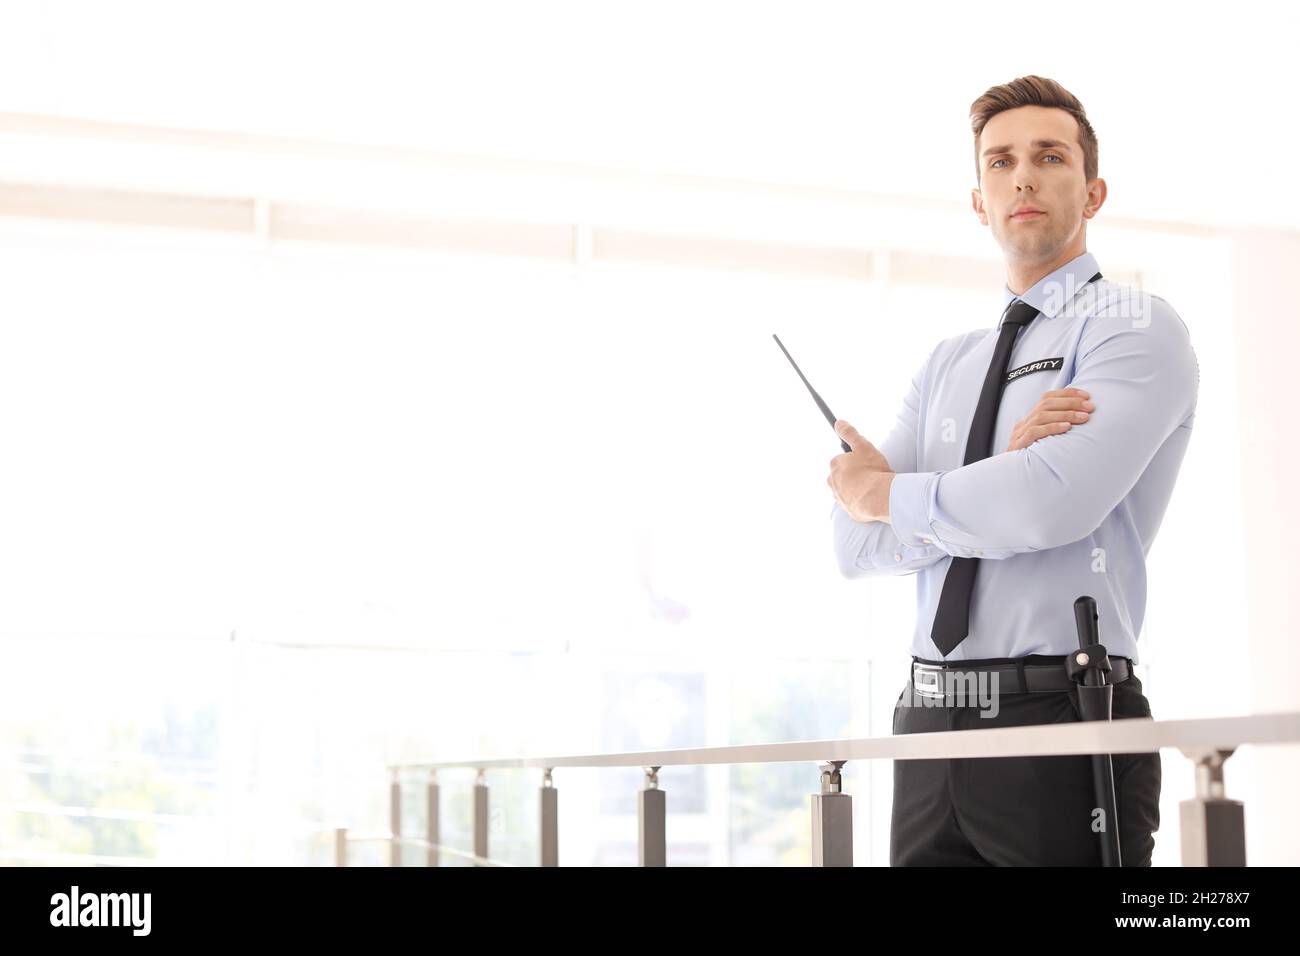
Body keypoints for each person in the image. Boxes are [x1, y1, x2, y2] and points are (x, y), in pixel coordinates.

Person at [826, 75, 1198, 866]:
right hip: (927, 720)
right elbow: (856, 548)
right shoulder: (946, 364)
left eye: (1048, 156)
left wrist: (894, 496)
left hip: (1064, 713)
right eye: (1000, 162)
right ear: (978, 200)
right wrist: (994, 474)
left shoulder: (1134, 328)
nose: (1022, 176)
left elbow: (1045, 509)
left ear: (1091, 190)